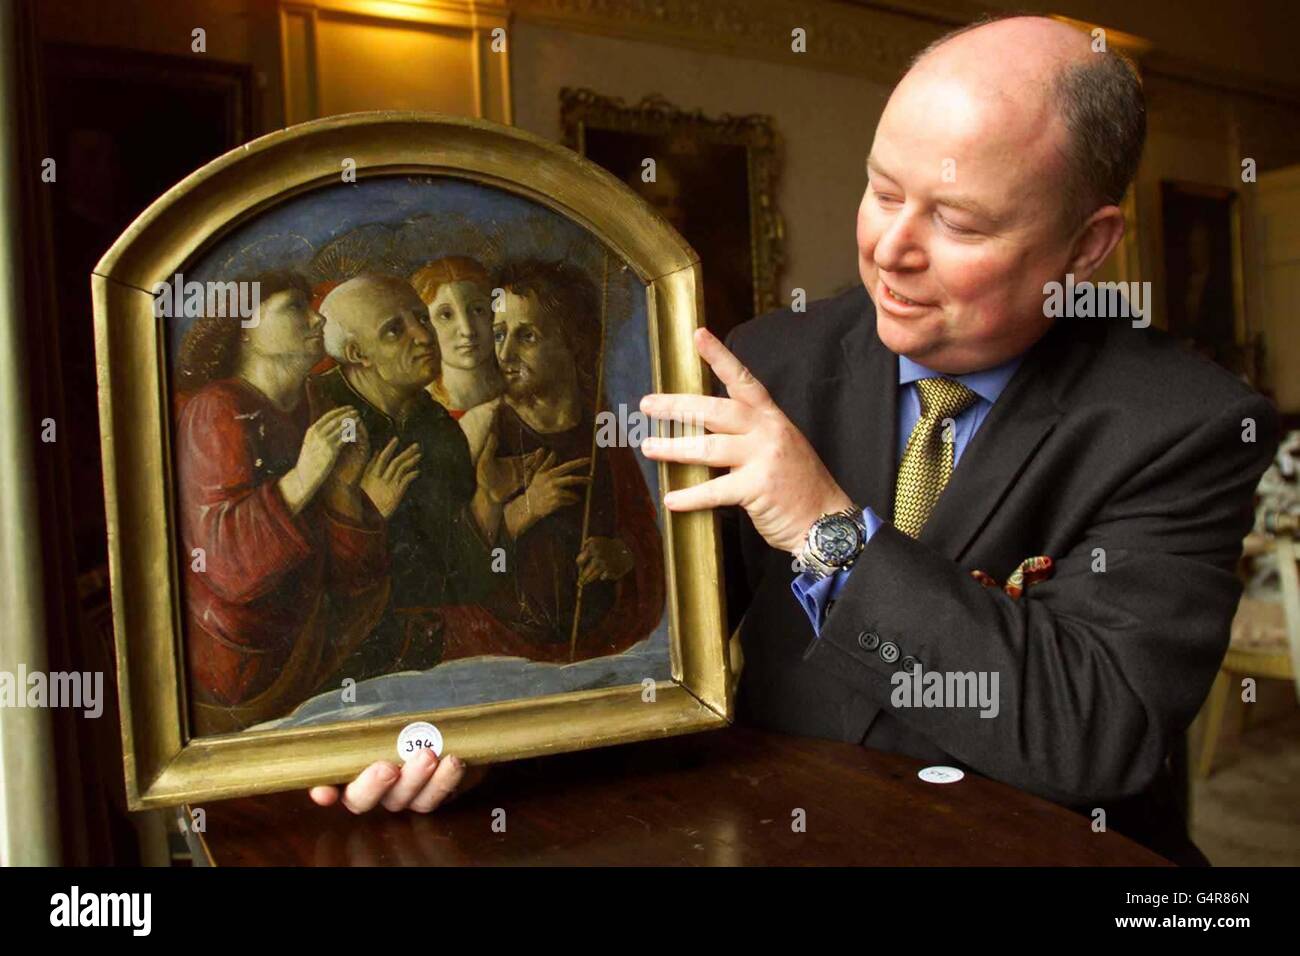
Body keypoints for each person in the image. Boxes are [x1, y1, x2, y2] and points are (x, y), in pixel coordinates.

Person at [312, 14, 1278, 840]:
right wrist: (485, 744)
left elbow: (1098, 732)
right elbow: (636, 653)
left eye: (960, 224)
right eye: (883, 189)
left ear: (1089, 245)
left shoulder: (1186, 426)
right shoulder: (766, 361)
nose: (890, 250)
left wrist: (834, 538)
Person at [174, 270, 402, 735]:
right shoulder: (215, 410)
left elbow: (346, 581)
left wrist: (345, 492)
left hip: (310, 649)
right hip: (240, 672)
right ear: (245, 328)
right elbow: (225, 565)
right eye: (294, 307)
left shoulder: (313, 404)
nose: (317, 317)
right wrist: (303, 477)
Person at [434, 259, 664, 662]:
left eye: (528, 336)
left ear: (572, 344)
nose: (504, 353)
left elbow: (644, 533)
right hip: (498, 652)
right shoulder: (480, 430)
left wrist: (621, 554)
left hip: (601, 650)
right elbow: (446, 563)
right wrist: (527, 508)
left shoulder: (602, 431)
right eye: (500, 334)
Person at [309, 274, 521, 682]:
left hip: (429, 647)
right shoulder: (317, 415)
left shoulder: (438, 428)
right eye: (395, 330)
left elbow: (459, 576)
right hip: (345, 661)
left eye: (421, 319)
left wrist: (489, 504)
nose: (423, 336)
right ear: (357, 353)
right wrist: (364, 513)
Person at [408, 256, 503, 420]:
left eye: (478, 310)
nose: (467, 330)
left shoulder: (521, 395)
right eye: (446, 315)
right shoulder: (417, 412)